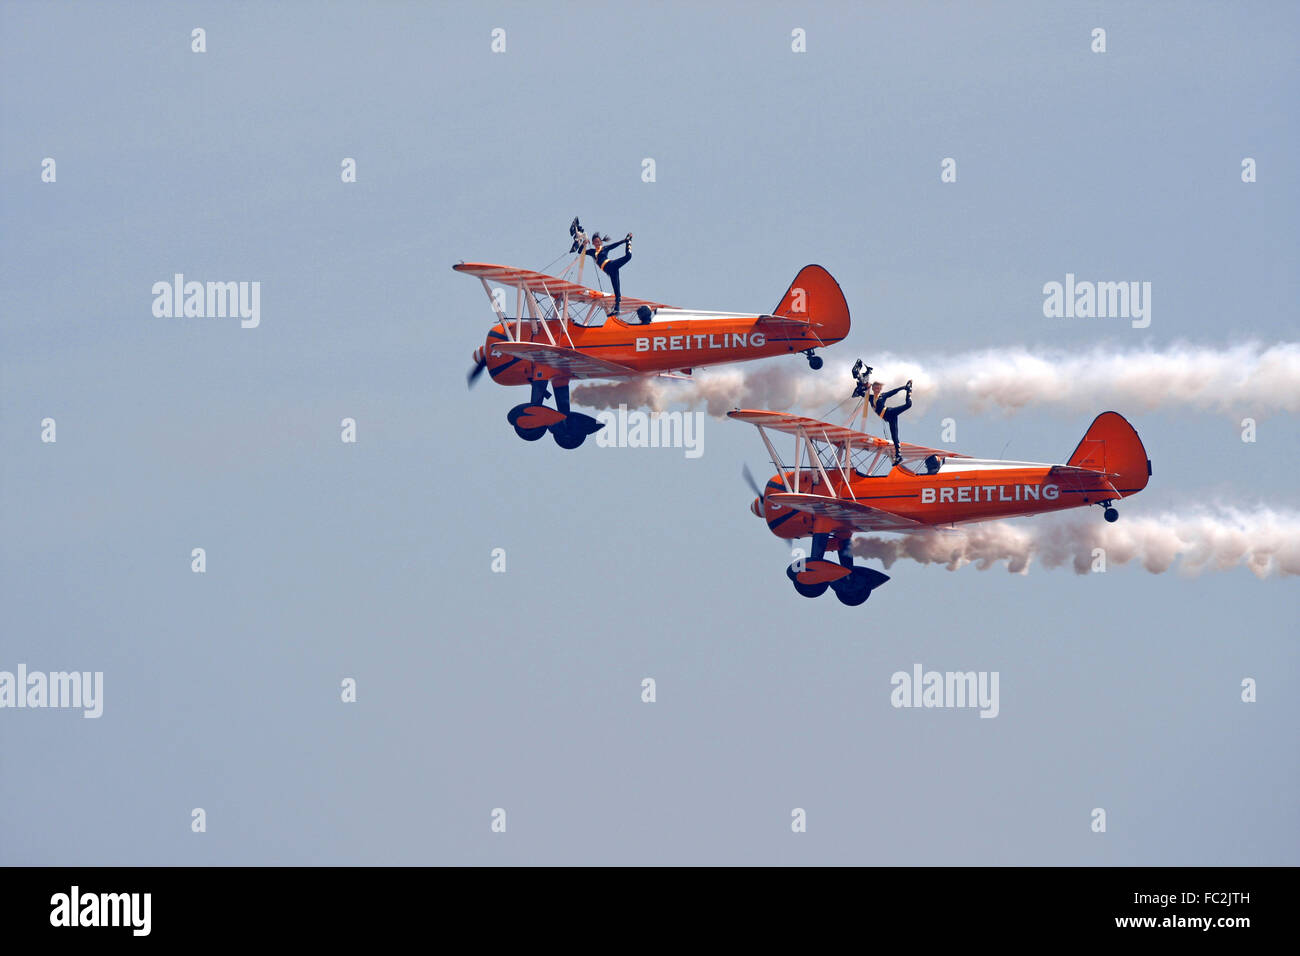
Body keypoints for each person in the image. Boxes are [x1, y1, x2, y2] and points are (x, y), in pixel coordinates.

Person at [584, 231, 633, 315]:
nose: (597, 243)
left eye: (598, 241)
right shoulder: (592, 252)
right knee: (616, 290)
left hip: (611, 264)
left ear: (601, 242)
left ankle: (629, 241)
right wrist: (583, 244)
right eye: (595, 242)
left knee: (628, 256)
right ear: (593, 243)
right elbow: (580, 252)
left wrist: (624, 241)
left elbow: (614, 245)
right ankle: (617, 309)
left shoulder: (605, 248)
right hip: (610, 271)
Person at [870, 379, 913, 465]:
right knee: (894, 436)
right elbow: (860, 392)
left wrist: (903, 387)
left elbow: (893, 392)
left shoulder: (883, 396)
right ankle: (898, 456)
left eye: (879, 388)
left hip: (890, 412)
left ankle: (909, 391)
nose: (877, 390)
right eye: (876, 388)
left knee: (908, 405)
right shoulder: (870, 398)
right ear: (873, 389)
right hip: (889, 418)